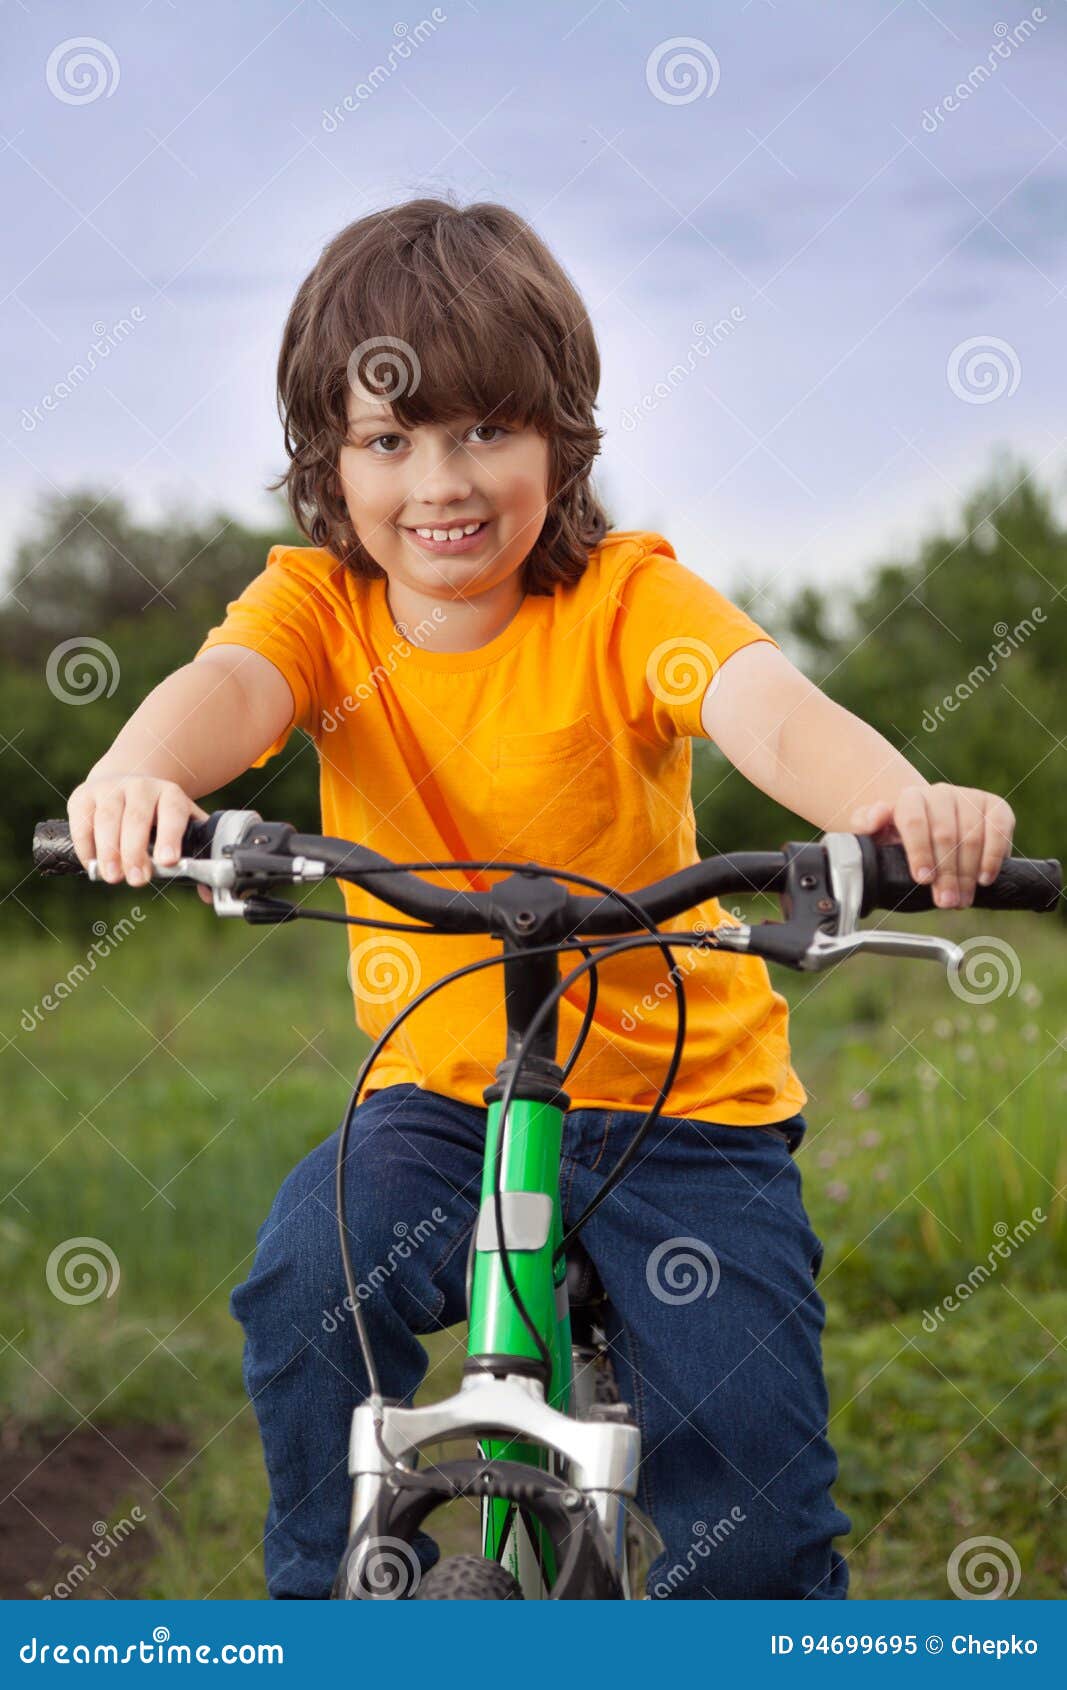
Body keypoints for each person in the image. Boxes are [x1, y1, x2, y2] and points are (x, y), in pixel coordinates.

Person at [66, 197, 1016, 1599]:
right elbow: (230, 687)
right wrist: (140, 771)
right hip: (443, 1098)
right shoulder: (320, 610)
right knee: (305, 1278)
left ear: (563, 440)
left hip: (683, 1105)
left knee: (750, 1491)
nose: (439, 482)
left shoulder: (625, 602)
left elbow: (764, 705)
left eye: (486, 430)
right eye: (389, 441)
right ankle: (328, 1605)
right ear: (327, 458)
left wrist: (893, 805)